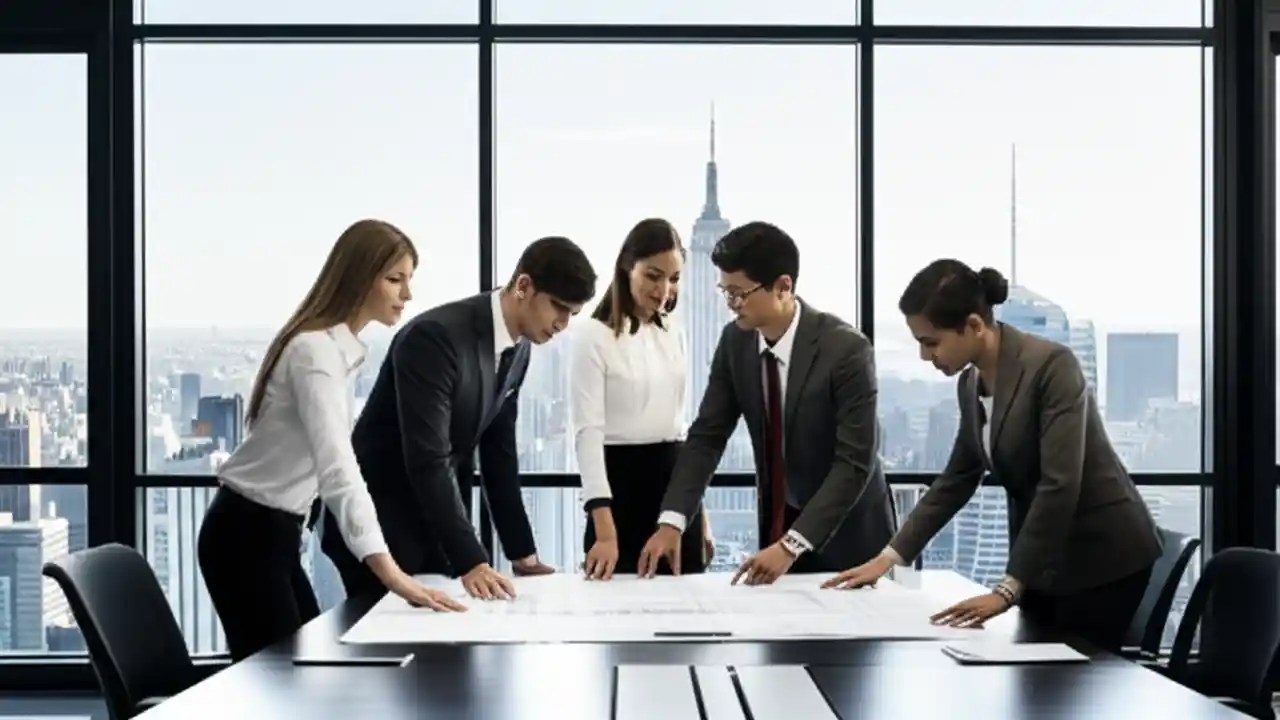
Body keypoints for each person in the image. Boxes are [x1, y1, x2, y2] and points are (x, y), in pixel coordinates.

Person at [823, 259, 1161, 652]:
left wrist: (1008, 587)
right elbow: (956, 480)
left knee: (1071, 687)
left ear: (974, 327)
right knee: (1037, 684)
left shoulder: (1053, 366)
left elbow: (1060, 483)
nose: (923, 356)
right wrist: (887, 559)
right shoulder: (971, 383)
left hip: (1102, 558)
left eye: (931, 342)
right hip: (1044, 563)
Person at [198, 219, 465, 662]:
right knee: (278, 680)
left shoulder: (338, 352)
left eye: (409, 280)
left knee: (300, 671)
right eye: (395, 279)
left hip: (275, 534)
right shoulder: (315, 353)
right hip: (245, 535)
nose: (408, 295)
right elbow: (338, 469)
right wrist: (394, 576)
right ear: (360, 278)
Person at [320, 236, 598, 602]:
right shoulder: (434, 338)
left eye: (573, 314)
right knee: (394, 652)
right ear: (523, 287)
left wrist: (522, 554)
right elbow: (427, 458)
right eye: (558, 308)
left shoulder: (520, 349)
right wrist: (472, 560)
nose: (563, 323)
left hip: (433, 529)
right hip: (381, 527)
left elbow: (500, 455)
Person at [637, 221, 896, 584]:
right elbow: (708, 436)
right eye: (725, 292)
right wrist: (672, 520)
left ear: (783, 287)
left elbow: (854, 464)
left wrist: (792, 545)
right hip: (778, 528)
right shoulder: (735, 343)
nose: (731, 305)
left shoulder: (846, 350)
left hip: (848, 537)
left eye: (740, 294)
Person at [571, 218, 714, 580]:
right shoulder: (593, 336)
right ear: (626, 266)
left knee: (687, 621)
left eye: (674, 278)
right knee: (618, 616)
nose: (664, 289)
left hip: (675, 498)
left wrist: (699, 513)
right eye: (653, 275)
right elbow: (588, 435)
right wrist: (604, 531)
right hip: (619, 493)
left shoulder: (674, 333)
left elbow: (681, 430)